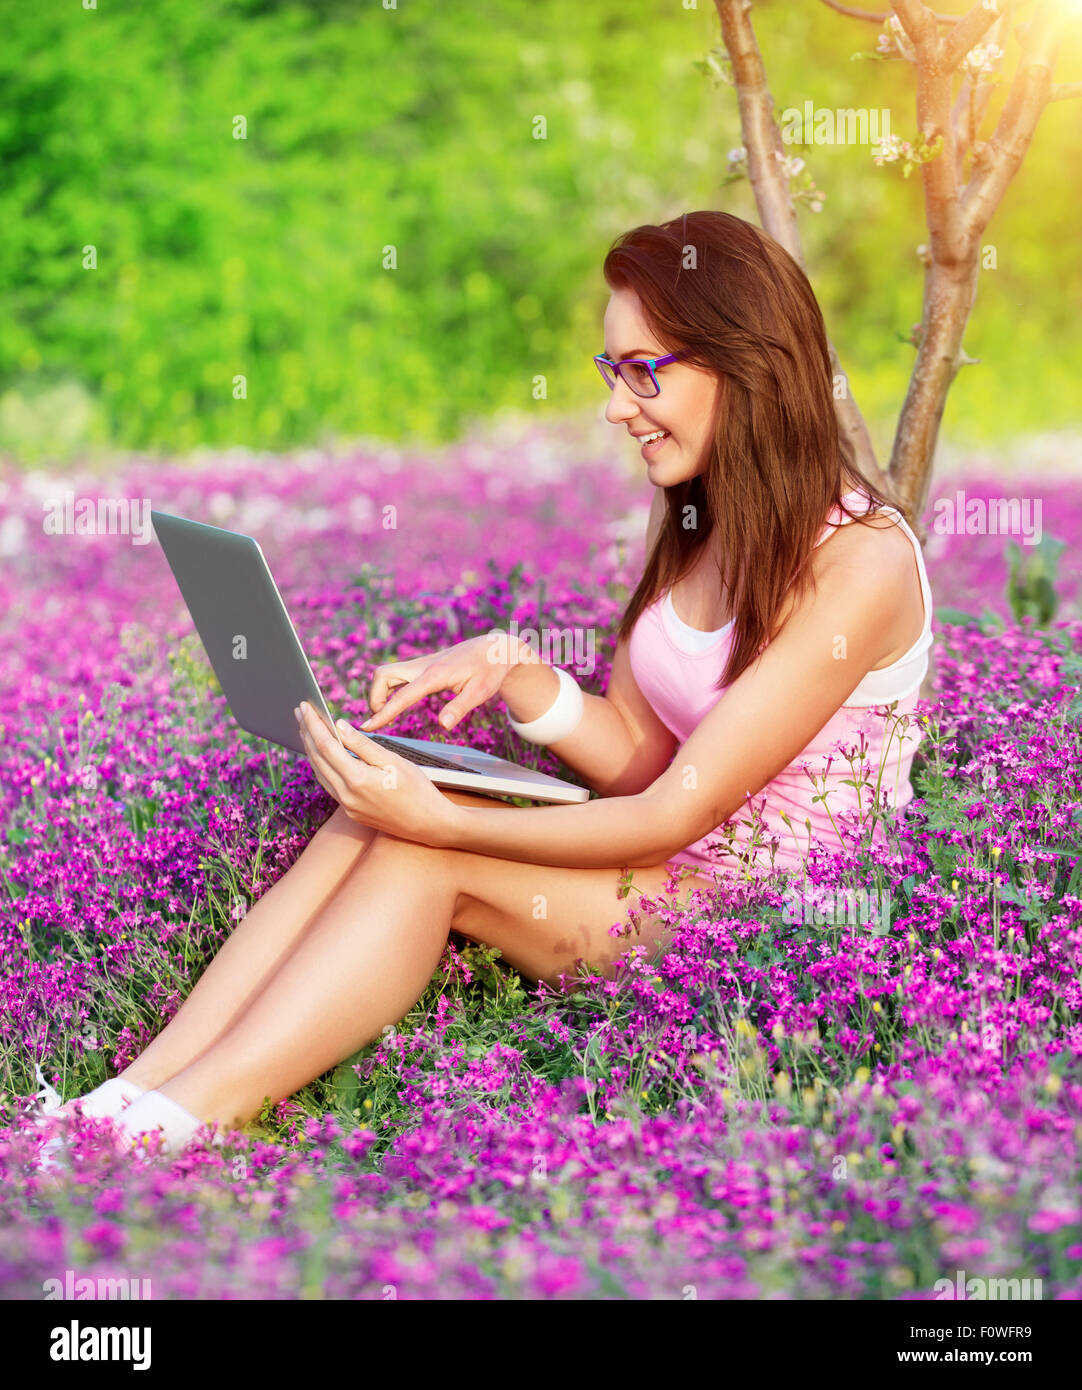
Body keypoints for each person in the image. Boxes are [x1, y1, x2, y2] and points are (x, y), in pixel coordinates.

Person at [31, 210, 931, 1166]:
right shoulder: (702, 523)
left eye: (644, 370)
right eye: (609, 370)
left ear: (743, 364)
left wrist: (446, 821)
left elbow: (673, 811)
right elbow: (641, 756)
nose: (618, 405)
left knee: (424, 851)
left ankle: (171, 1133)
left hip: (769, 928)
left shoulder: (860, 564)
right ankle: (118, 1103)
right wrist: (518, 672)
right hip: (665, 877)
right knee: (368, 820)